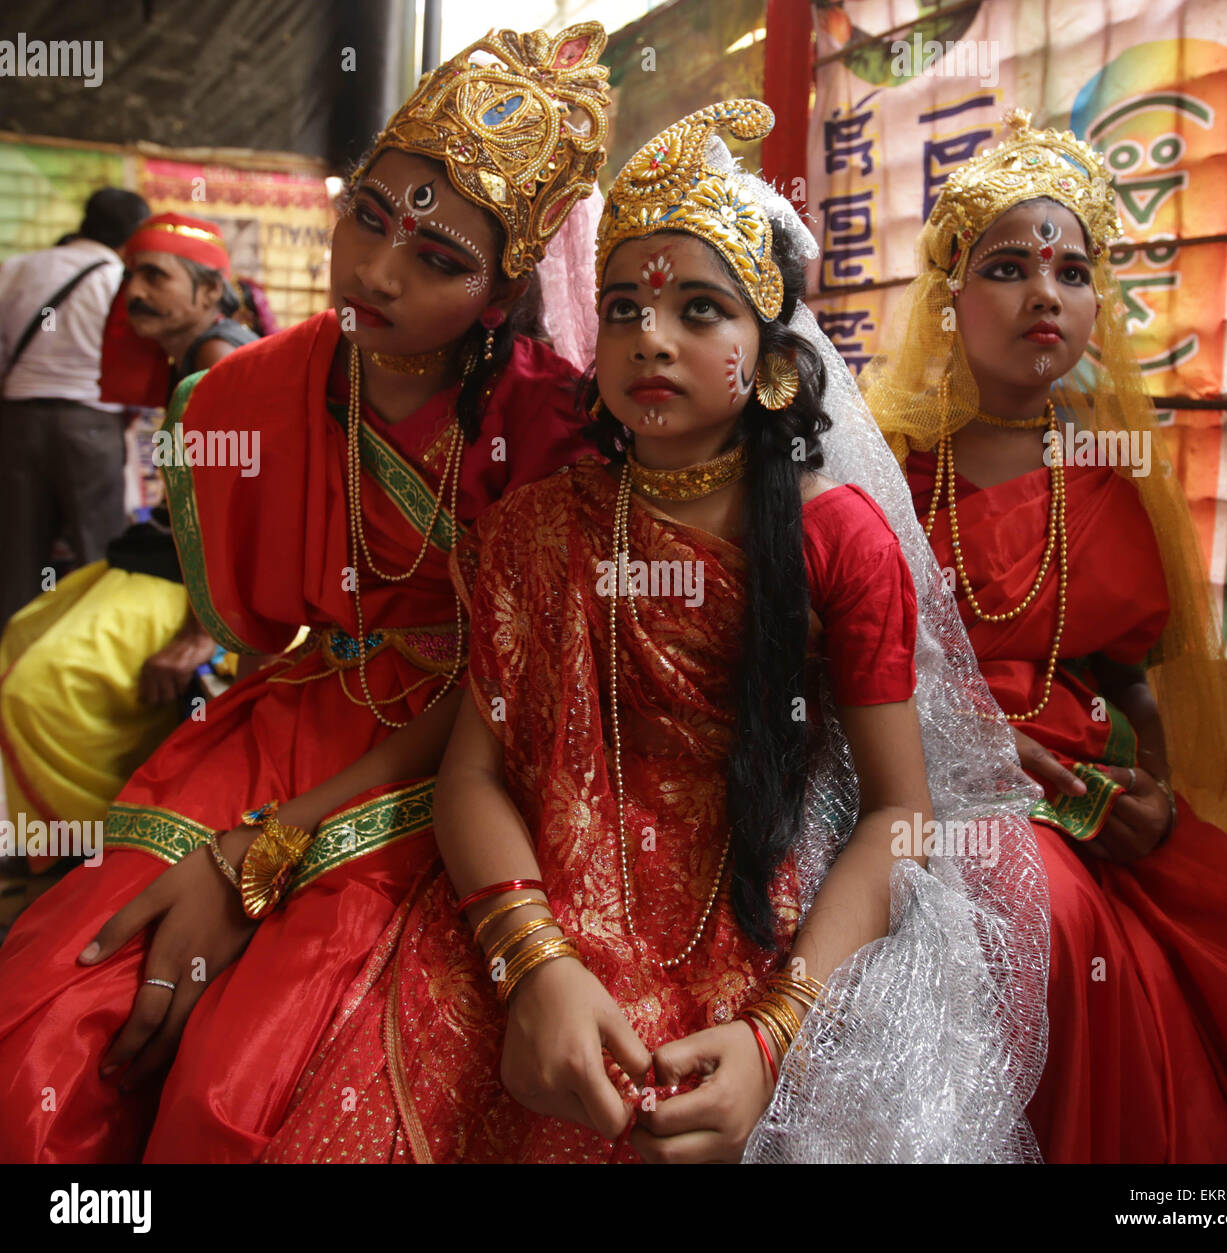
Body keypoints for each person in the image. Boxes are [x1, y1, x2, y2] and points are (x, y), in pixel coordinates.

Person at [265, 100, 1049, 1165]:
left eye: (699, 309)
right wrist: (531, 960)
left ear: (770, 356)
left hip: (764, 934)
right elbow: (477, 771)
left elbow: (899, 814)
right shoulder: (540, 525)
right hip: (531, 914)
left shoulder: (835, 539)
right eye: (626, 307)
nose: (650, 338)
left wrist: (778, 1032)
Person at [0, 21, 612, 1164]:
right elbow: (262, 623)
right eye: (367, 218)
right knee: (42, 1036)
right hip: (287, 709)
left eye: (437, 259)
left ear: (499, 294)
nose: (375, 270)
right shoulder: (258, 386)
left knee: (232, 1100)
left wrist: (261, 852)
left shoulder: (552, 427)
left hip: (456, 754)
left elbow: (510, 685)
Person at [863, 110, 1227, 1163]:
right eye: (1007, 267)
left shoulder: (1108, 481)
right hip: (908, 780)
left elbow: (1135, 685)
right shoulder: (888, 476)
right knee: (1035, 909)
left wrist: (1147, 796)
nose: (1042, 294)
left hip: (1075, 793)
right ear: (949, 299)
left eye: (1069, 270)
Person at [0, 215, 259, 866]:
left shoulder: (217, 357)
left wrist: (209, 631)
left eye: (155, 275)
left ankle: (99, 853)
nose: (133, 291)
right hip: (164, 557)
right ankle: (70, 842)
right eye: (131, 275)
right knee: (21, 636)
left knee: (37, 687)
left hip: (200, 582)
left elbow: (246, 502)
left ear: (207, 293)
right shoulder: (189, 355)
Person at [0, 187, 150, 625]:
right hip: (90, 423)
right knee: (98, 550)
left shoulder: (18, 269)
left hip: (19, 420)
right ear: (132, 235)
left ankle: (11, 665)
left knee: (17, 552)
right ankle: (86, 651)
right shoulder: (118, 279)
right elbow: (130, 361)